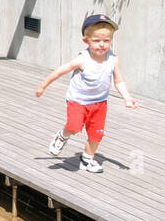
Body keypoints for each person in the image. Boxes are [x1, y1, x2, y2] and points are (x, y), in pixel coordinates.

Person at [34, 13, 138, 173]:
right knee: (74, 127)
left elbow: (119, 81)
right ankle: (62, 135)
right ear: (86, 41)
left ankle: (87, 160)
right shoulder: (82, 59)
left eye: (107, 40)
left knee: (96, 135)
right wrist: (43, 86)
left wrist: (127, 97)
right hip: (78, 101)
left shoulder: (113, 59)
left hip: (100, 103)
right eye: (96, 41)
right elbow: (60, 71)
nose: (102, 45)